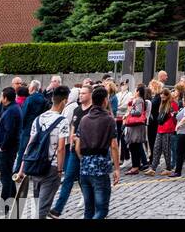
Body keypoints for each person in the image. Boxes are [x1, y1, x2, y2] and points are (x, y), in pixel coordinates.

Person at [19, 84, 69, 219]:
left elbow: (29, 145)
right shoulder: (62, 121)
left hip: (35, 165)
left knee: (38, 204)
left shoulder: (38, 119)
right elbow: (61, 148)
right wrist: (59, 170)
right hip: (50, 167)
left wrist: (21, 169)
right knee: (42, 208)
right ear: (64, 101)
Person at [49, 80, 94, 217]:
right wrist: (71, 142)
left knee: (86, 181)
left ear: (91, 95)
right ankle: (57, 209)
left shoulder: (93, 111)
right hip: (75, 150)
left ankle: (93, 207)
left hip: (87, 152)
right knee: (69, 178)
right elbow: (73, 127)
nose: (81, 96)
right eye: (80, 93)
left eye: (84, 93)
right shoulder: (77, 109)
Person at [76, 85, 120, 219]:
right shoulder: (109, 120)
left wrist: (83, 158)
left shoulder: (84, 119)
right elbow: (113, 145)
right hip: (101, 167)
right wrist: (116, 168)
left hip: (84, 167)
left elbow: (77, 145)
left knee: (88, 209)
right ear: (105, 101)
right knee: (101, 209)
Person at [0, 88, 22, 209]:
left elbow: (9, 132)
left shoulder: (11, 111)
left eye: (2, 96)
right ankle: (13, 200)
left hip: (7, 149)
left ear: (5, 98)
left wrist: (3, 147)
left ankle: (4, 206)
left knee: (5, 178)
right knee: (7, 174)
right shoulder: (12, 108)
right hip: (8, 147)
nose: (1, 98)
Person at [17, 80, 50, 164]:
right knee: (33, 150)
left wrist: (21, 127)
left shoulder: (29, 99)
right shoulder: (44, 99)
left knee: (22, 151)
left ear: (32, 88)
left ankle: (18, 171)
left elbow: (23, 115)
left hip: (27, 128)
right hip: (39, 128)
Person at [123, 85, 150, 173]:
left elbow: (138, 112)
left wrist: (130, 110)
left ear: (138, 92)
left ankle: (135, 166)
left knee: (134, 145)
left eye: (135, 90)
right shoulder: (139, 100)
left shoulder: (139, 100)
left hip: (136, 126)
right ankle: (136, 165)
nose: (134, 92)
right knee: (135, 145)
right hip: (136, 126)